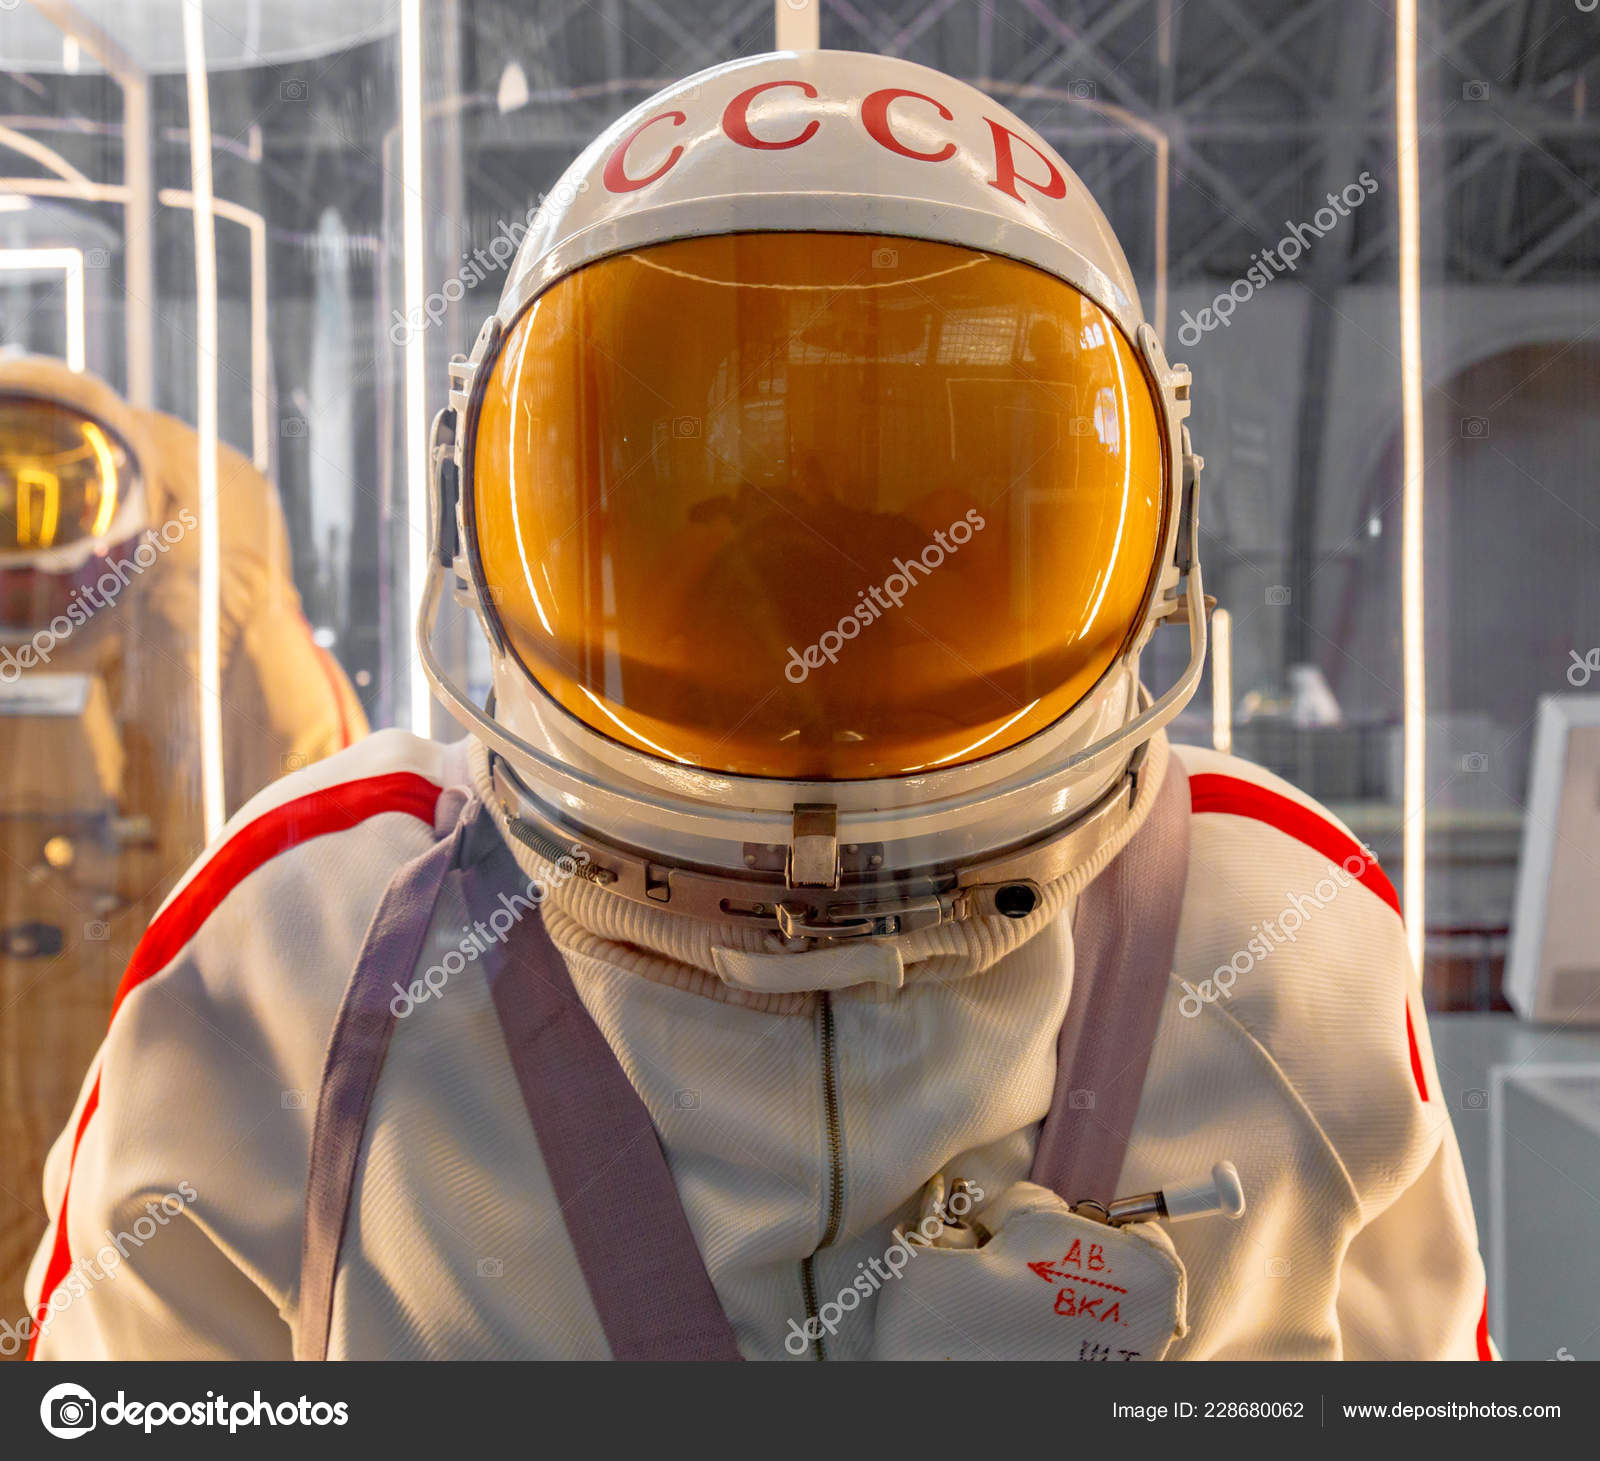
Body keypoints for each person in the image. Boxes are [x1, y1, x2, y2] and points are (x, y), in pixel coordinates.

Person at [23, 52, 1489, 1361]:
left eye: (888, 520)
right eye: (739, 506)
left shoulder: (1283, 945)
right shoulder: (297, 950)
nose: (822, 624)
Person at [0, 355, 365, 1347]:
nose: (30, 593)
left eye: (49, 558)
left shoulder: (208, 600)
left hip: (146, 1072)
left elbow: (301, 898)